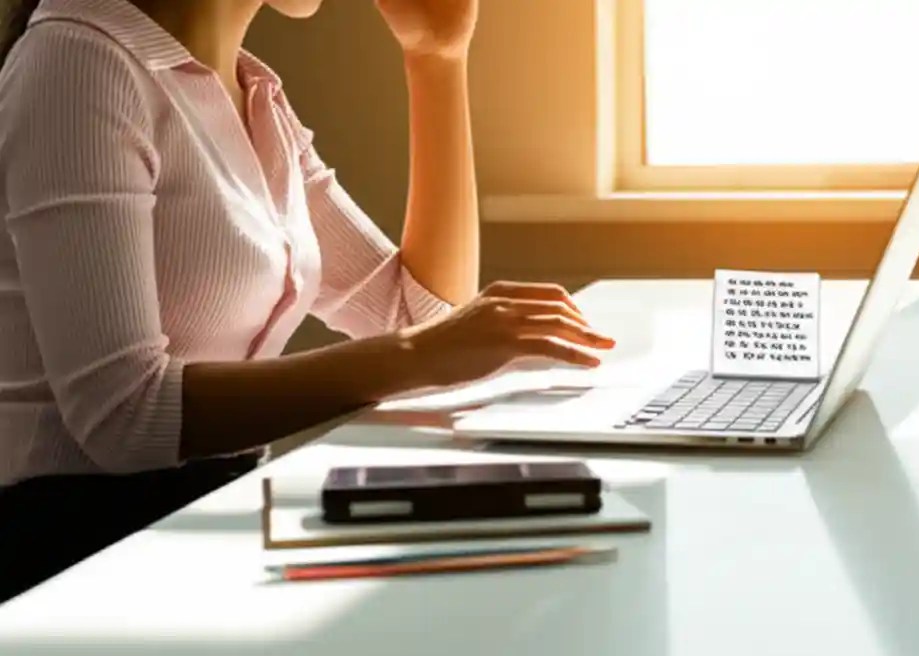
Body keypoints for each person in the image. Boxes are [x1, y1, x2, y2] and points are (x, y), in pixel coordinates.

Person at [0, 0, 615, 601]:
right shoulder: (75, 61)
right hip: (73, 559)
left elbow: (417, 315)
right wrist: (416, 355)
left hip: (200, 521)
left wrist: (437, 58)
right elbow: (122, 415)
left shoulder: (251, 92)